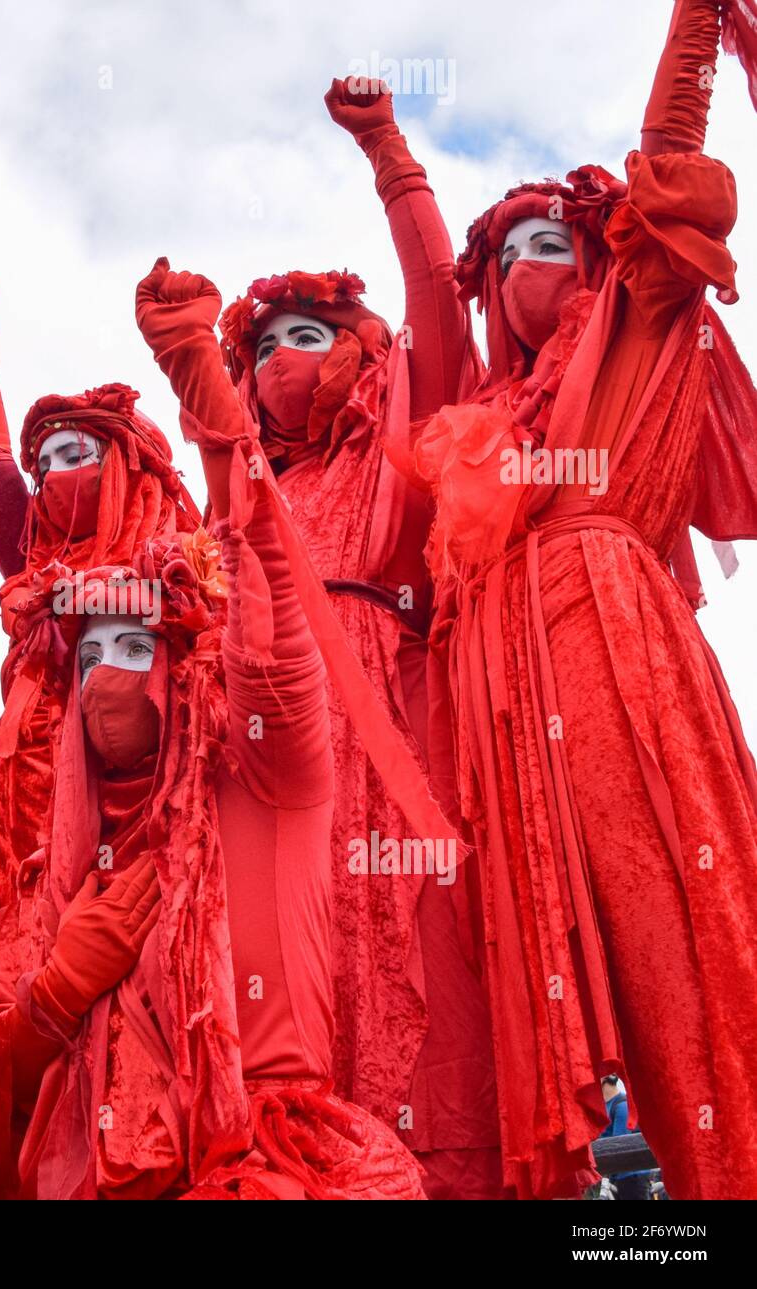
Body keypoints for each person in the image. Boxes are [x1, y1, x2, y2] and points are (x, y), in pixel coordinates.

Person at [0, 261, 428, 1200]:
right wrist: (53, 998)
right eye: (87, 653)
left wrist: (201, 377)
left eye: (133, 645)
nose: (105, 675)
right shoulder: (64, 880)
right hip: (40, 871)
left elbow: (265, 589)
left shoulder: (256, 772)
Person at [383, 0, 757, 1198]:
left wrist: (694, 29)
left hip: (604, 638)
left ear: (597, 258)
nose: (520, 272)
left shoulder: (635, 325)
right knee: (534, 985)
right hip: (499, 693)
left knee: (675, 942)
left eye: (550, 244)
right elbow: (430, 301)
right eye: (505, 257)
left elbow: (663, 166)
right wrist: (391, 163)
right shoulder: (480, 423)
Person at [213, 192, 499, 1192]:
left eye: (309, 336)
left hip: (388, 705)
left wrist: (390, 165)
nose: (280, 364)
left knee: (414, 941)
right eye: (259, 350)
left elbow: (432, 299)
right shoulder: (246, 490)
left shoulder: (396, 444)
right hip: (266, 732)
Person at [0, 258, 201, 1039]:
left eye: (77, 455)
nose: (56, 476)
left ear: (127, 461)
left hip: (131, 835)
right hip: (19, 823)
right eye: (45, 462)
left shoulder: (177, 557)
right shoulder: (29, 562)